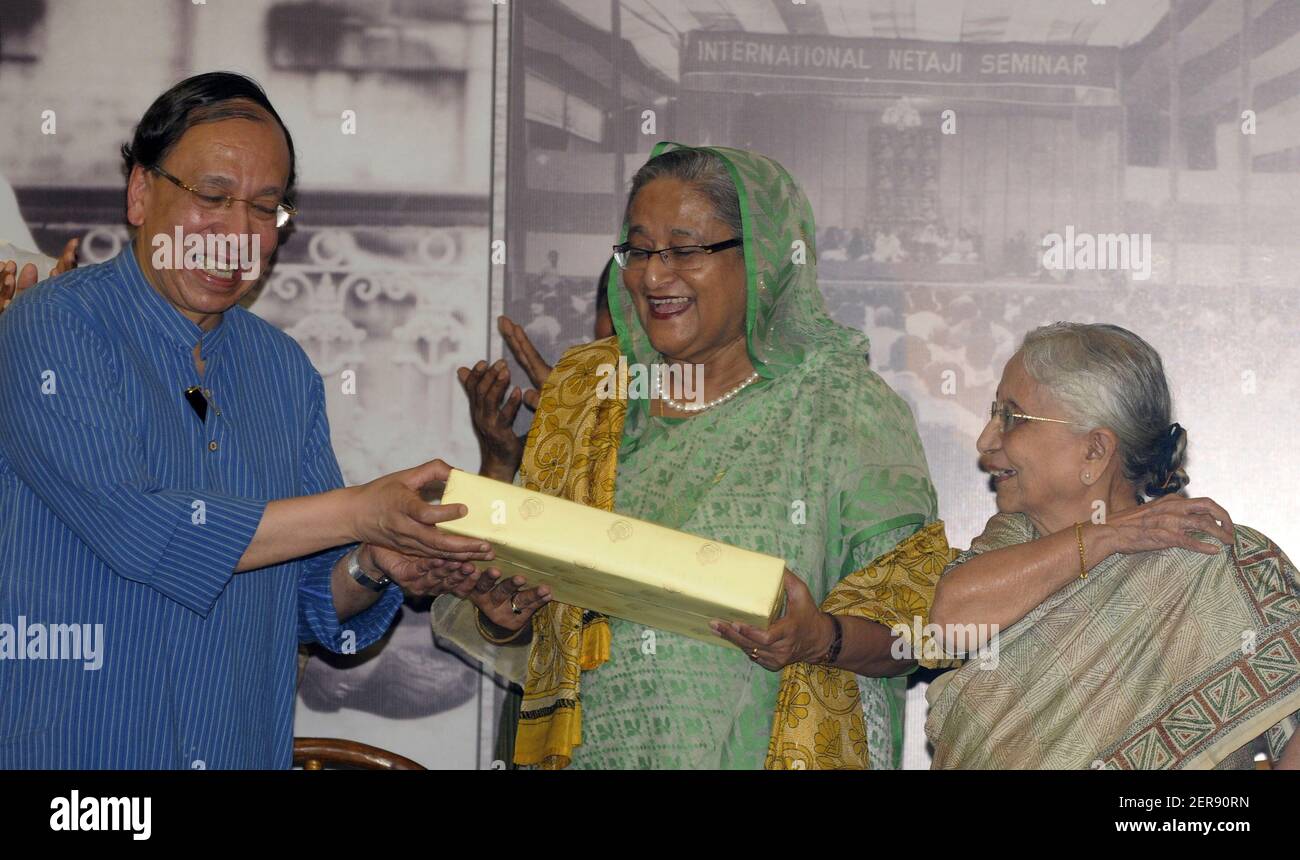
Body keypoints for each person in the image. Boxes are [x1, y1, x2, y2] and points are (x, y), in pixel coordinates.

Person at [0, 72, 492, 768]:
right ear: (140, 193)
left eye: (266, 208)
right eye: (213, 197)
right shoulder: (53, 326)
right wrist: (359, 511)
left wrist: (374, 560)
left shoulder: (282, 370)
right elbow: (141, 529)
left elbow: (300, 599)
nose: (238, 233)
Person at [445, 144, 937, 769]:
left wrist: (821, 637)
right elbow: (534, 623)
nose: (652, 276)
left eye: (684, 249)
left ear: (759, 259)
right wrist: (504, 615)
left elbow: (920, 628)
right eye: (640, 249)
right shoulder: (588, 391)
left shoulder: (842, 407)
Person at [925, 322, 1300, 769]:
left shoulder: (1213, 562)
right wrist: (1109, 535)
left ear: (1095, 451)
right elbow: (951, 620)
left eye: (1013, 417)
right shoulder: (1011, 539)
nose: (986, 440)